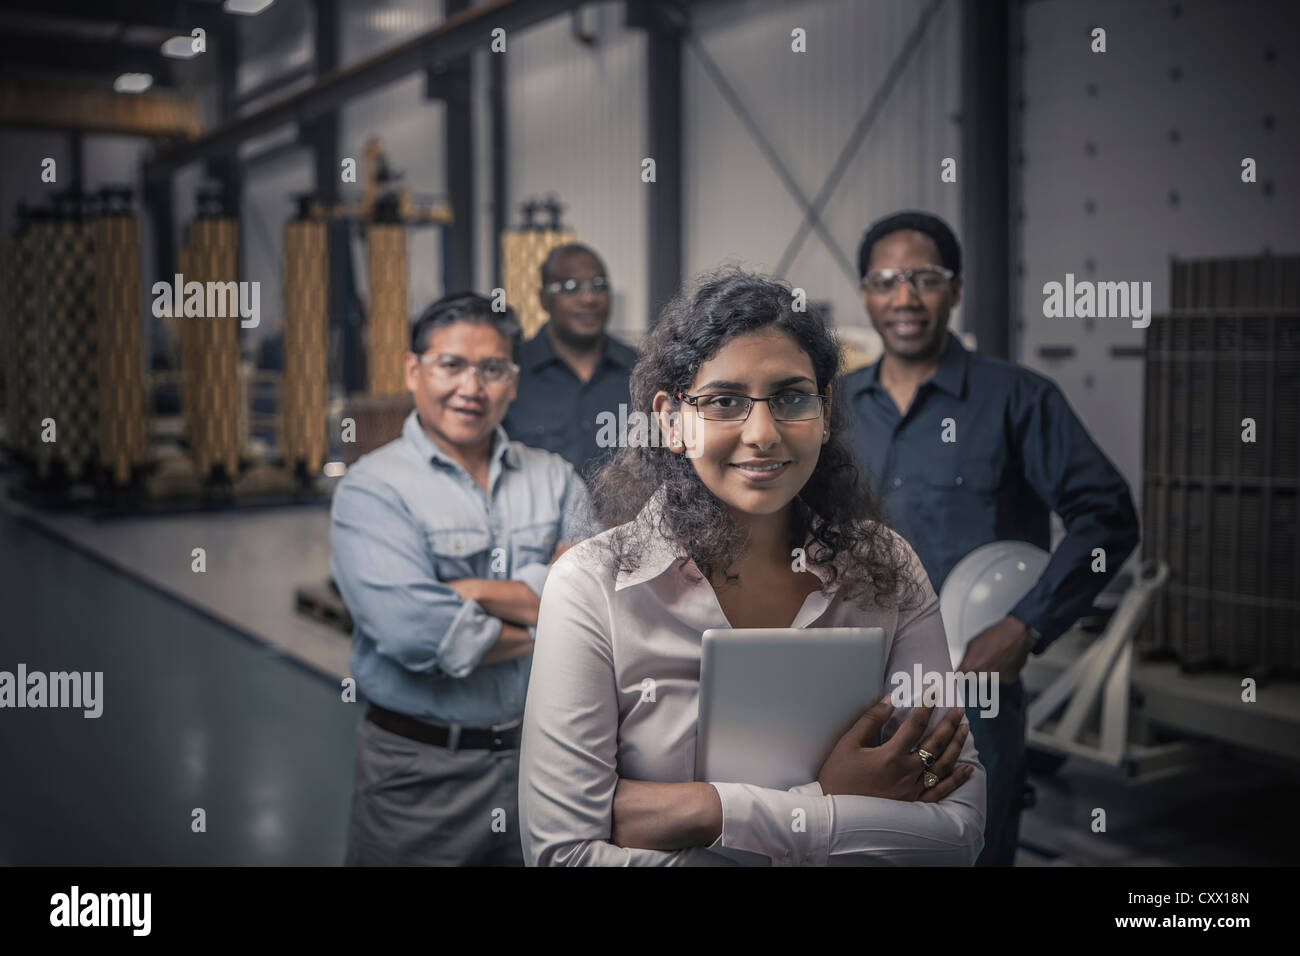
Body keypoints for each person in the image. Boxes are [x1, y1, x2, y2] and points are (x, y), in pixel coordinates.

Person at [517, 269, 985, 866]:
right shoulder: (593, 587)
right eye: (724, 402)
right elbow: (563, 857)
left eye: (791, 396)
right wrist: (834, 809)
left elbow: (958, 833)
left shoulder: (885, 569)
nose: (762, 433)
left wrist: (707, 812)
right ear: (671, 420)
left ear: (824, 410)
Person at [840, 210, 1140, 866]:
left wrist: (1026, 626)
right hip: (849, 686)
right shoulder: (834, 409)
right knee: (855, 850)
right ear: (866, 293)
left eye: (924, 278)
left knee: (970, 851)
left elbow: (1107, 515)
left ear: (954, 289)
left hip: (969, 691)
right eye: (886, 280)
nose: (904, 297)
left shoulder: (1017, 400)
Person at [330, 291, 593, 866]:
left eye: (491, 369)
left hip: (545, 766)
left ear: (513, 381)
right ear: (412, 369)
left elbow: (597, 601)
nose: (471, 388)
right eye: (451, 365)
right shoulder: (372, 490)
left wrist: (470, 593)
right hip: (418, 778)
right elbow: (414, 631)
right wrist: (546, 611)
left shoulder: (556, 478)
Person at [502, 243, 637, 483]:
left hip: (627, 520)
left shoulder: (641, 371)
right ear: (544, 299)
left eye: (599, 286)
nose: (588, 298)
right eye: (571, 287)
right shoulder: (510, 373)